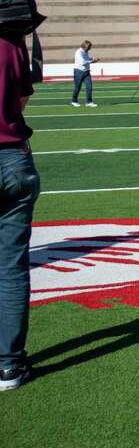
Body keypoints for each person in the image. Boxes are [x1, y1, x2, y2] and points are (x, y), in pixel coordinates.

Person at [0, 25, 39, 391]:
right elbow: (22, 98)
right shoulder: (11, 41)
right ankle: (9, 366)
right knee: (11, 267)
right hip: (12, 156)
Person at [71, 40, 97, 107]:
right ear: (85, 46)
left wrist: (92, 59)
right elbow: (82, 62)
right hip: (78, 71)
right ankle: (74, 101)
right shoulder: (78, 52)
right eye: (89, 47)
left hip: (86, 71)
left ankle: (89, 102)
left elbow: (87, 59)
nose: (90, 48)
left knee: (89, 87)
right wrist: (91, 61)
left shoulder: (86, 52)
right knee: (77, 87)